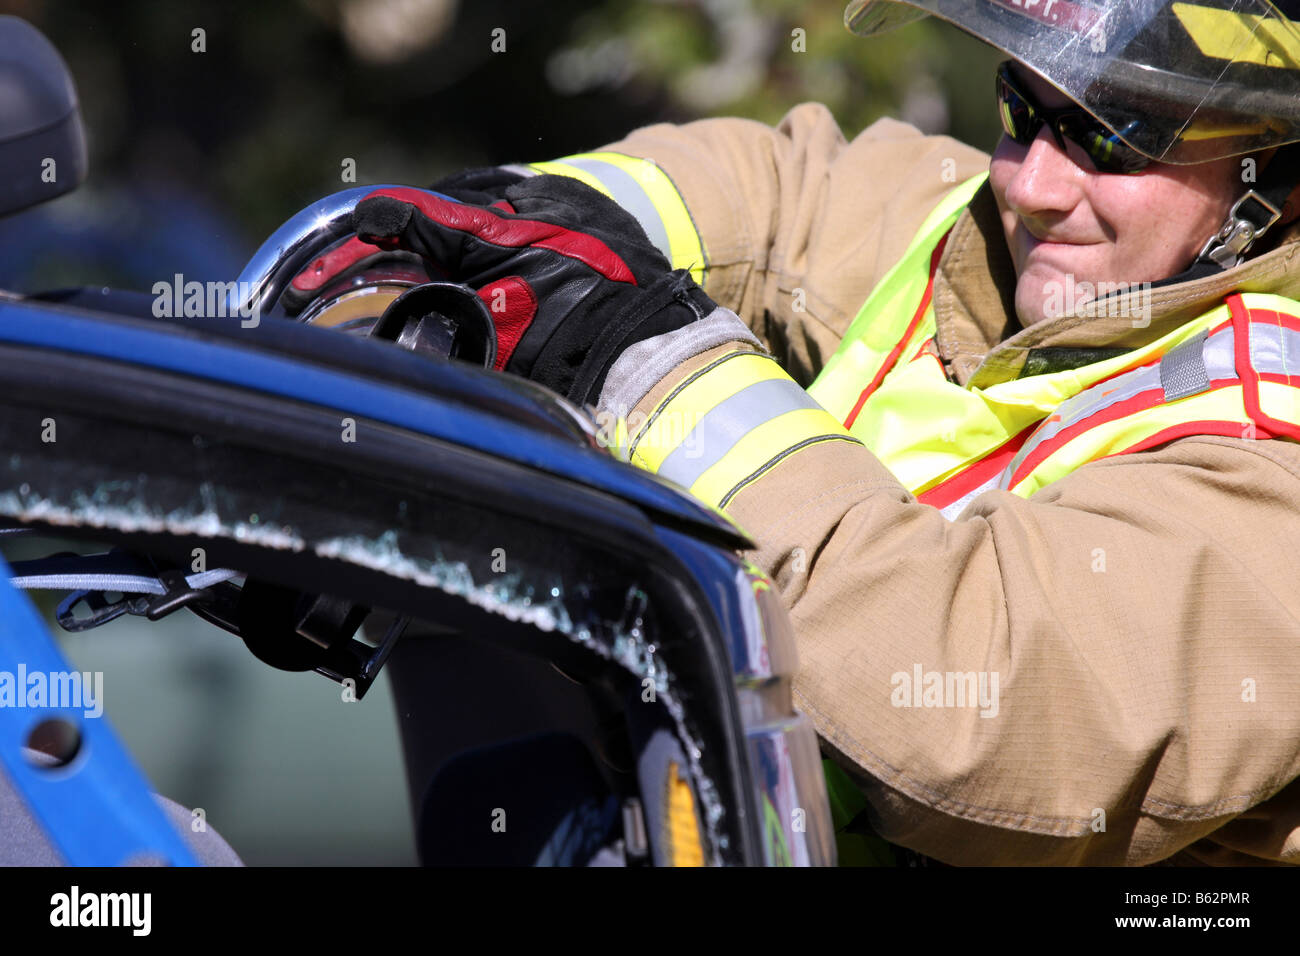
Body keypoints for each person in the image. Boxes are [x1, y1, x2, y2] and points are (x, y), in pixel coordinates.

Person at [319, 0, 1300, 864]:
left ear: (1276, 174)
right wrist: (449, 266)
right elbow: (763, 188)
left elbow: (967, 704)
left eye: (1114, 133)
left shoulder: (1274, 465)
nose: (1032, 186)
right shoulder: (960, 230)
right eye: (1021, 111)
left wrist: (643, 351)